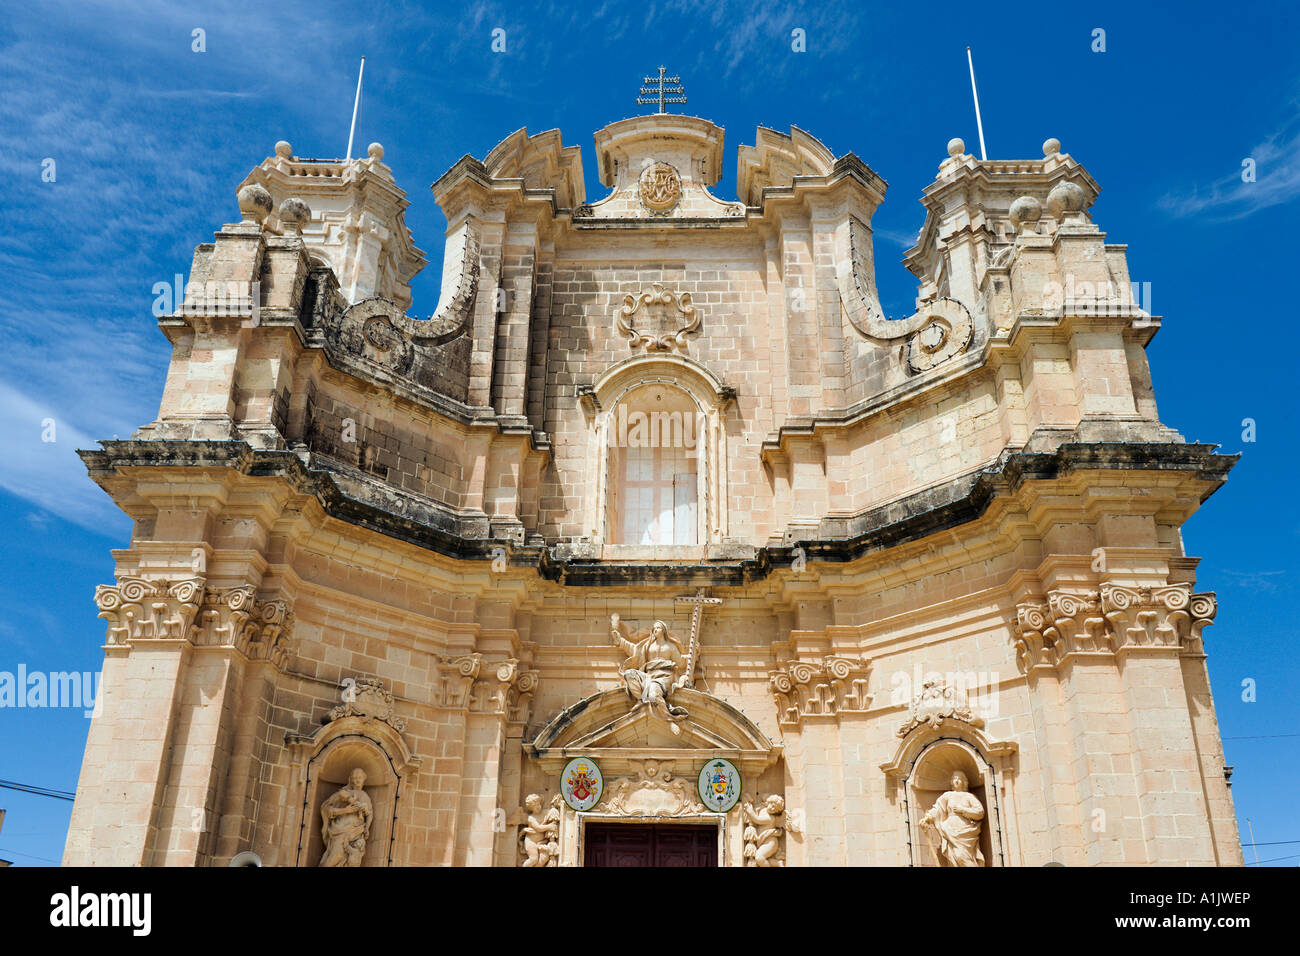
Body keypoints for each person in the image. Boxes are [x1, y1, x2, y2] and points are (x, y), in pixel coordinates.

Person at [609, 614, 689, 732]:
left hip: (664, 676)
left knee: (653, 692)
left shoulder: (670, 647)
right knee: (629, 674)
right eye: (654, 628)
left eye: (658, 628)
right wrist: (620, 641)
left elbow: (680, 662)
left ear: (664, 630)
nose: (655, 630)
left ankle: (670, 721)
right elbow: (635, 652)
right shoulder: (648, 646)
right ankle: (641, 700)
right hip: (649, 675)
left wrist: (692, 655)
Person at [921, 770, 986, 867]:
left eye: (959, 778)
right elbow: (938, 809)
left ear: (964, 781)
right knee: (954, 857)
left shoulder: (969, 796)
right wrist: (927, 817)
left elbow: (980, 812)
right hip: (950, 831)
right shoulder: (948, 796)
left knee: (963, 856)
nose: (956, 780)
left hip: (966, 832)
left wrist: (963, 810)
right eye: (954, 778)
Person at [319, 767, 374, 867]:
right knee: (335, 856)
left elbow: (369, 813)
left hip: (356, 831)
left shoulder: (364, 795)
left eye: (359, 777)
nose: (357, 780)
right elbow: (326, 808)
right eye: (355, 778)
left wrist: (367, 828)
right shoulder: (342, 793)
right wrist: (345, 810)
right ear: (351, 780)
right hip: (340, 830)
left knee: (352, 859)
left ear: (363, 779)